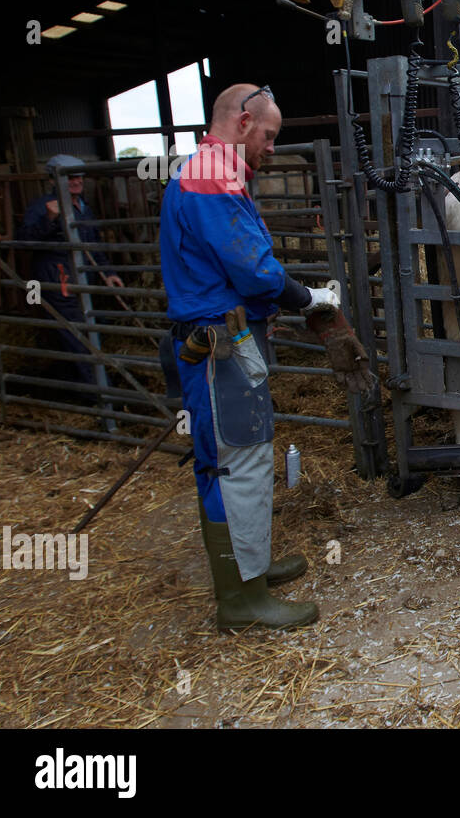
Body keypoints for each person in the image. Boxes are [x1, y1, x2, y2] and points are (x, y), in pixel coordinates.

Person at [160, 83, 344, 631]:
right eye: (267, 136)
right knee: (235, 458)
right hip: (217, 344)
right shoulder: (212, 179)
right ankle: (241, 600)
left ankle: (251, 569)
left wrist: (271, 302)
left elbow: (238, 268)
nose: (270, 148)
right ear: (242, 122)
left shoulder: (213, 172)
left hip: (226, 336)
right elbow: (252, 268)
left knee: (239, 455)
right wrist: (308, 297)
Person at [18, 155, 124, 390]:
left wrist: (108, 272)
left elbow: (94, 245)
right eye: (69, 177)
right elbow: (24, 241)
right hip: (59, 281)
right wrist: (49, 219)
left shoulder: (83, 208)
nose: (76, 181)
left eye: (79, 176)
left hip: (84, 280)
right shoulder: (41, 207)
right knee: (79, 337)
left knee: (94, 328)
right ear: (54, 180)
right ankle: (102, 395)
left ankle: (76, 382)